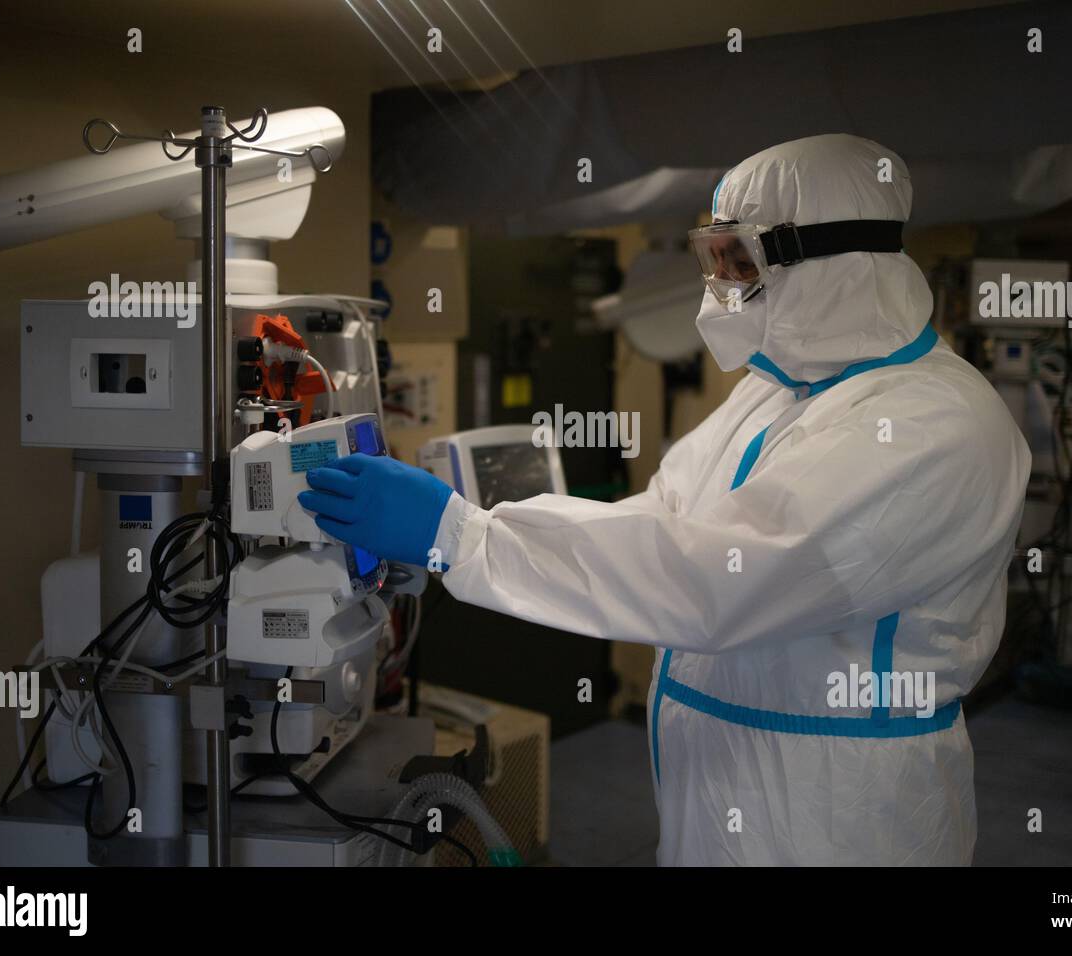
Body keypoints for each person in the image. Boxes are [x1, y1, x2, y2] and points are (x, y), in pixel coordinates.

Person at [299, 134, 1031, 866]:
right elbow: (658, 518)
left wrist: (464, 538)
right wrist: (476, 521)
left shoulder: (935, 423)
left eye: (741, 261)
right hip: (718, 788)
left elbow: (713, 580)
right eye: (714, 260)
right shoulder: (772, 395)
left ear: (837, 264)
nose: (723, 286)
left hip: (838, 817)